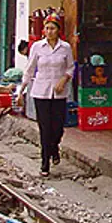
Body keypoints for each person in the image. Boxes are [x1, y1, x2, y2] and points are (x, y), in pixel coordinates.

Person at [15, 14, 73, 177]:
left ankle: (54, 148)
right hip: (41, 92)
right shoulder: (37, 47)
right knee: (45, 127)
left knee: (58, 127)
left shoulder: (65, 48)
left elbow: (70, 68)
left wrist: (64, 79)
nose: (49, 31)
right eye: (47, 28)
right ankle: (45, 162)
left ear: (58, 30)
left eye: (52, 28)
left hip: (59, 93)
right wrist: (21, 91)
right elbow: (30, 69)